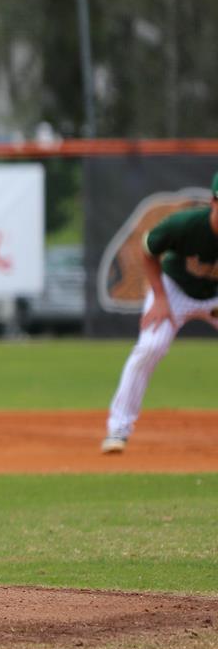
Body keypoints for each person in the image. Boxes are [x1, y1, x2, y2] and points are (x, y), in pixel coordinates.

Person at [102, 171, 218, 453]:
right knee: (151, 346)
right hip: (173, 289)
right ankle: (118, 428)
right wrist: (160, 298)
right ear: (213, 202)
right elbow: (148, 249)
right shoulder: (186, 225)